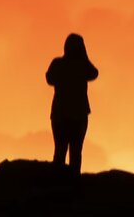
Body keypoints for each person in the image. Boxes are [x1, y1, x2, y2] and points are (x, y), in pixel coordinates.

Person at [45, 33, 99, 174]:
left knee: (60, 151)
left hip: (60, 115)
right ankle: (73, 184)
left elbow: (49, 78)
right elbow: (94, 73)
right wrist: (84, 58)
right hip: (77, 116)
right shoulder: (82, 66)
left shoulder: (58, 64)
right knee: (75, 153)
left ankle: (58, 183)